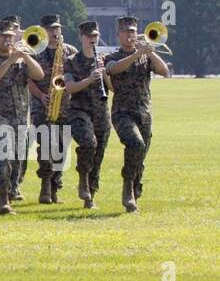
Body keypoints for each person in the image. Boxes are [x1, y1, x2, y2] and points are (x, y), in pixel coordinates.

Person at [0, 19, 43, 215]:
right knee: (2, 157)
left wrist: (25, 56)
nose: (8, 40)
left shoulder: (21, 60)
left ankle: (12, 190)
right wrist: (9, 61)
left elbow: (39, 76)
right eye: (3, 37)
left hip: (20, 116)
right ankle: (3, 199)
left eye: (10, 36)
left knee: (18, 159)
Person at [105, 15, 169, 213]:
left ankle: (134, 187)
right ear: (118, 35)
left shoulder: (145, 56)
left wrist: (149, 52)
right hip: (122, 112)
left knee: (140, 155)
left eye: (132, 31)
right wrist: (135, 54)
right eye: (126, 32)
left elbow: (164, 71)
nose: (130, 35)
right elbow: (113, 70)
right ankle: (128, 190)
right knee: (135, 144)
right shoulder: (112, 56)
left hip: (144, 113)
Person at [29, 14, 78, 204]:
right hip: (41, 105)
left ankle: (56, 186)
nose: (54, 32)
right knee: (46, 145)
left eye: (57, 29)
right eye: (50, 29)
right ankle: (45, 186)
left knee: (62, 147)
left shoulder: (70, 51)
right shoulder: (35, 52)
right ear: (42, 30)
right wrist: (40, 95)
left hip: (65, 106)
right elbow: (27, 79)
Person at [63, 20, 112, 210]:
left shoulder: (104, 60)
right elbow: (69, 87)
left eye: (95, 36)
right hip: (79, 111)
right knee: (88, 143)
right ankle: (82, 178)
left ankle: (90, 196)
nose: (93, 39)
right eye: (89, 36)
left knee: (98, 155)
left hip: (100, 112)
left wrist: (104, 73)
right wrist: (89, 79)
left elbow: (113, 88)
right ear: (82, 37)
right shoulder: (71, 61)